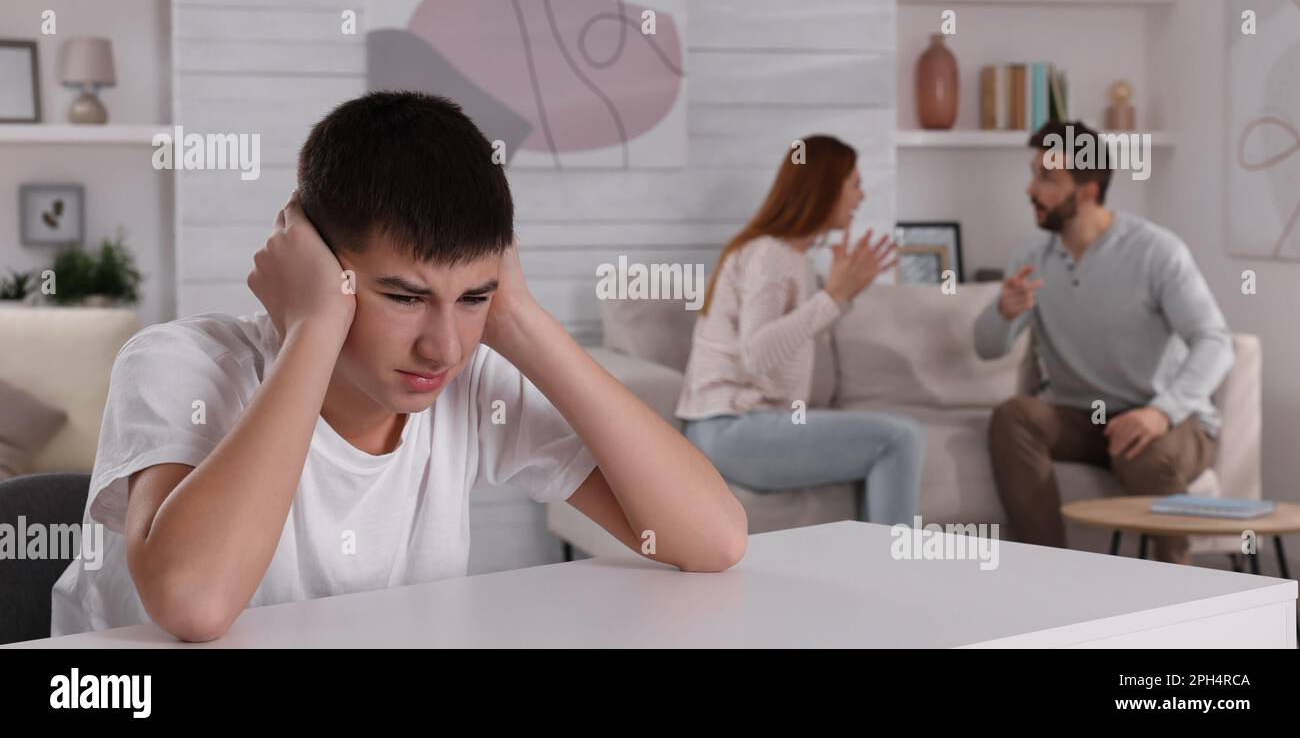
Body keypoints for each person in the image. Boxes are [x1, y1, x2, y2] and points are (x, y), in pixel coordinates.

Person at [51, 91, 747, 641]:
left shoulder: (468, 385)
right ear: (319, 266)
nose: (443, 346)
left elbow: (712, 538)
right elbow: (195, 604)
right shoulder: (176, 364)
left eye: (474, 296)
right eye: (404, 297)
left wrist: (522, 322)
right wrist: (314, 327)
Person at [975, 120, 1234, 564]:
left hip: (1168, 419)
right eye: (1033, 173)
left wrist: (1161, 412)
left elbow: (1215, 341)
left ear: (1088, 190)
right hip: (1082, 417)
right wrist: (1004, 310)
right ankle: (1051, 574)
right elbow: (987, 347)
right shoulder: (1032, 256)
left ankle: (1179, 601)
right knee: (1012, 417)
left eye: (1047, 179)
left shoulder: (1155, 251)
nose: (1030, 190)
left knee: (1145, 455)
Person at [675, 135, 925, 526]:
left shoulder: (789, 255)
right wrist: (832, 296)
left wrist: (841, 296)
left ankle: (877, 567)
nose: (862, 197)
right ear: (825, 188)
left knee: (895, 434)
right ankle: (892, 574)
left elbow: (786, 336)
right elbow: (756, 354)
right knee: (900, 438)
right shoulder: (770, 254)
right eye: (855, 184)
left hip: (737, 429)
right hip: (731, 430)